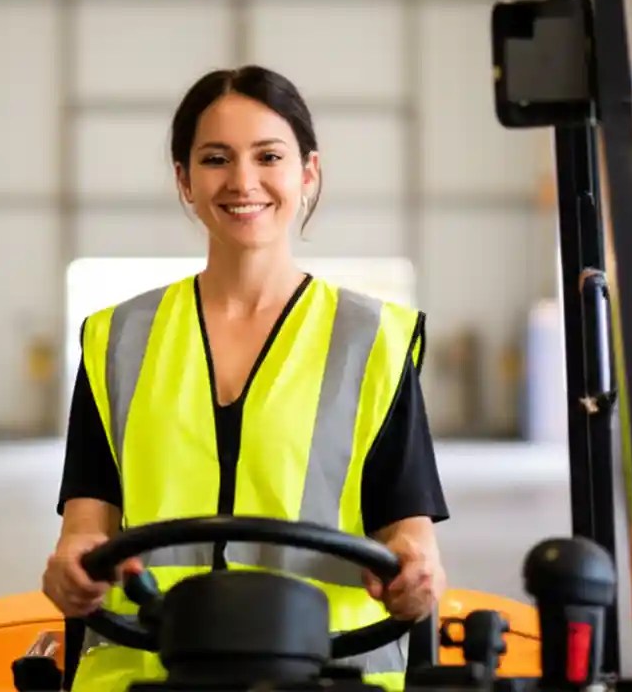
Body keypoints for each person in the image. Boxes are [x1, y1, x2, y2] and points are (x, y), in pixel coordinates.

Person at [42, 64, 449, 692]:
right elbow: (86, 529)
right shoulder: (117, 337)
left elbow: (408, 536)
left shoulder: (374, 340)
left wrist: (418, 574)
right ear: (183, 179)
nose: (242, 181)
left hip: (328, 669)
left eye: (269, 156)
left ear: (307, 172)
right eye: (214, 159)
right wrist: (71, 566)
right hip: (148, 668)